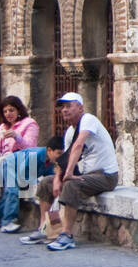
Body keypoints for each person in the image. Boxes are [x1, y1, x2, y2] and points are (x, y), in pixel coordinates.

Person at [47, 93, 119, 251]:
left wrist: (70, 173)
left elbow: (78, 145)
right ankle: (45, 229)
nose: (64, 110)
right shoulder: (69, 133)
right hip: (88, 175)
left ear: (80, 107)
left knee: (72, 184)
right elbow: (64, 160)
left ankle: (66, 235)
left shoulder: (88, 119)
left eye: (68, 106)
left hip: (105, 175)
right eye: (62, 107)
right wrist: (58, 179)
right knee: (47, 182)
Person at [0, 136, 63, 234]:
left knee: (11, 194)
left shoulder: (50, 162)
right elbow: (22, 171)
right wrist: (34, 184)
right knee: (13, 191)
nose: (60, 156)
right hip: (11, 165)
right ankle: (7, 222)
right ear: (49, 150)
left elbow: (49, 177)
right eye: (58, 153)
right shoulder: (36, 155)